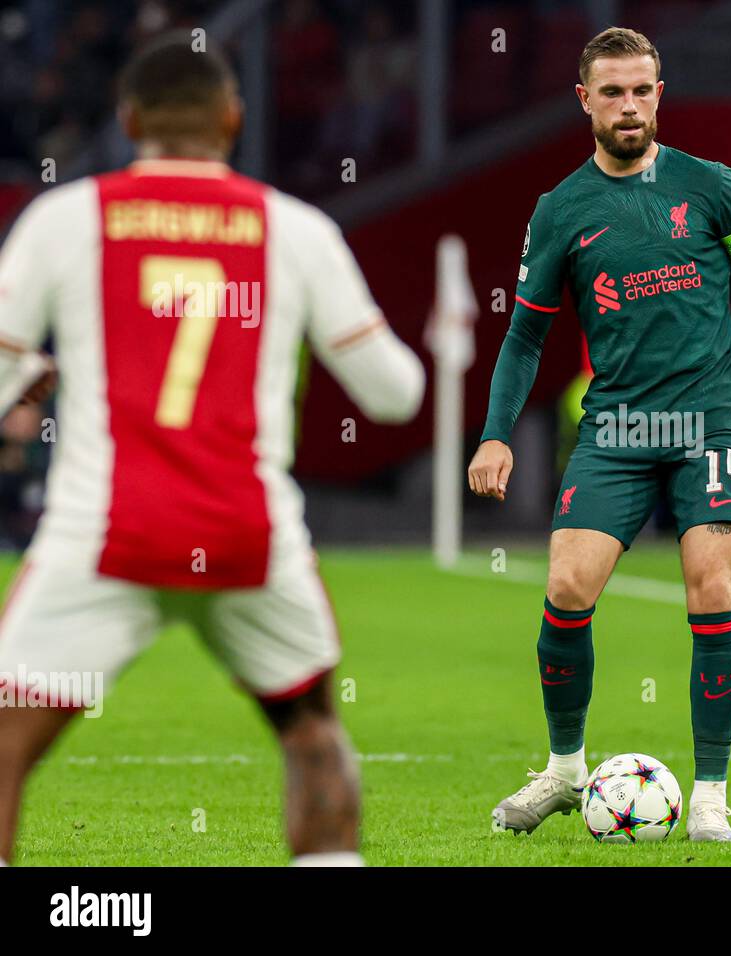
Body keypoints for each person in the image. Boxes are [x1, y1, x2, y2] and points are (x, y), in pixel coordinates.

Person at [0, 33, 426, 867]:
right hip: (249, 537)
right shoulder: (294, 229)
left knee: (8, 743)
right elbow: (394, 393)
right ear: (232, 119)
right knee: (309, 729)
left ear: (128, 121)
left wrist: (31, 377)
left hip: (104, 537)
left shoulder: (67, 218)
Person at [467, 27, 731, 843]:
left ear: (661, 93)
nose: (630, 106)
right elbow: (524, 337)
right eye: (613, 92)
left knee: (712, 590)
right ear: (584, 100)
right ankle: (563, 768)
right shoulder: (560, 212)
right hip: (616, 425)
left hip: (710, 424)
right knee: (567, 587)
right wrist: (495, 433)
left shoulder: (713, 188)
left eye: (642, 90)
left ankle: (713, 792)